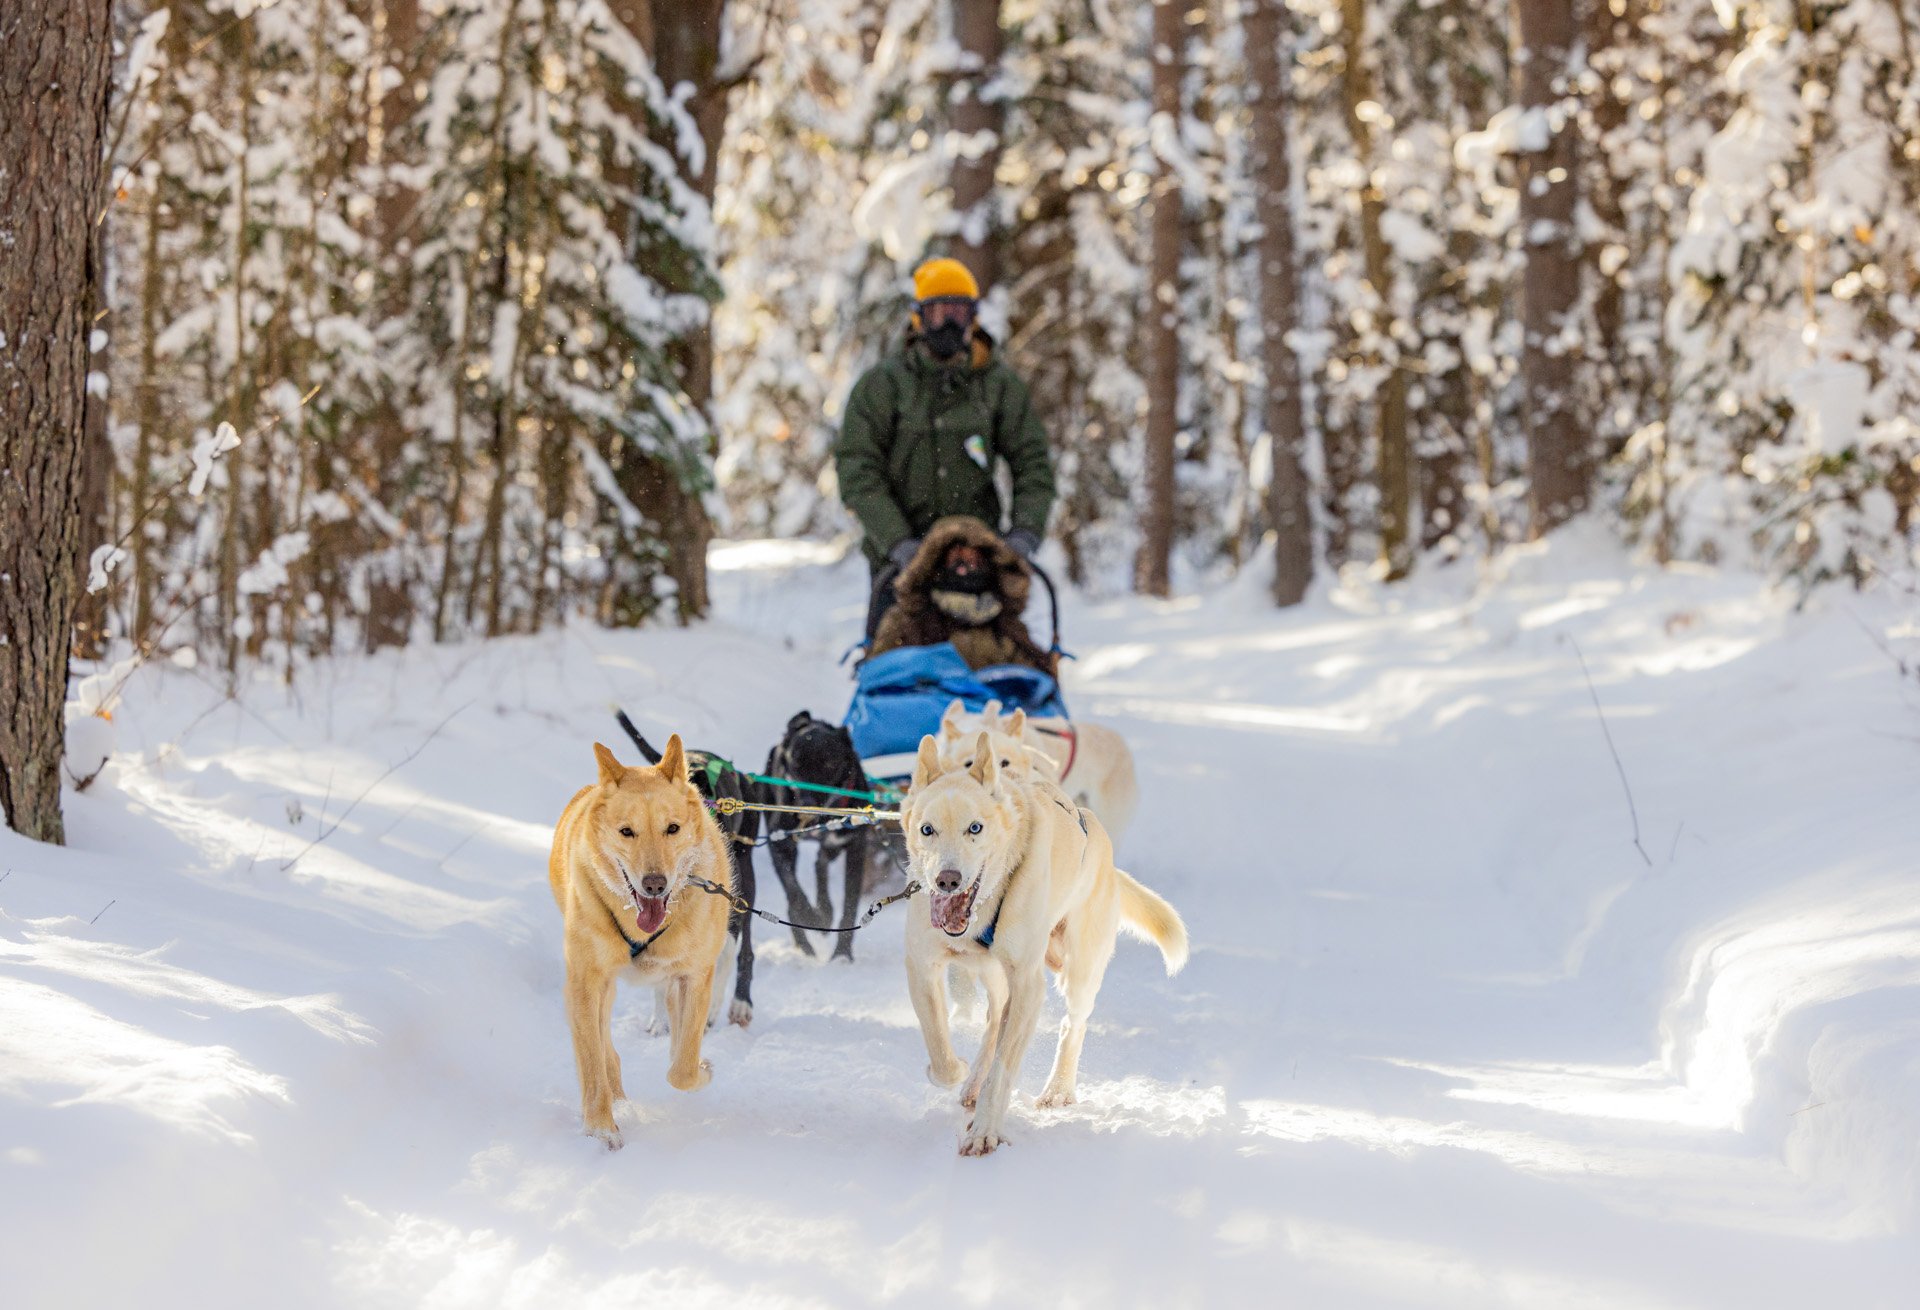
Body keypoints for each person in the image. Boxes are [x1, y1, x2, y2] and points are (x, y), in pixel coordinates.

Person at [834, 257, 1056, 637]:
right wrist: (898, 542)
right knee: (895, 663)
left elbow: (1032, 462)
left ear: (974, 319)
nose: (950, 324)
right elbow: (858, 468)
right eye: (939, 313)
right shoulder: (883, 387)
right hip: (901, 564)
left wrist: (1023, 536)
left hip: (976, 562)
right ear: (919, 319)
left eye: (960, 312)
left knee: (991, 663)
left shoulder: (998, 386)